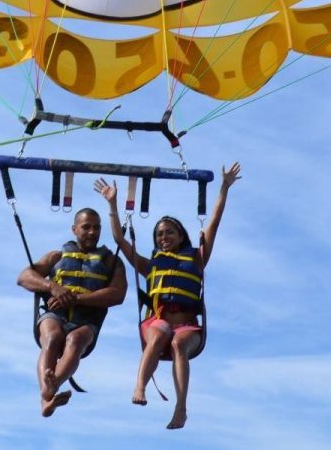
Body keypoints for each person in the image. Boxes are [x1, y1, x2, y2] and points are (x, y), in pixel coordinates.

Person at [96, 162, 241, 430]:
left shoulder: (196, 258)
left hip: (187, 327)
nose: (164, 237)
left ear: (180, 235)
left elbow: (214, 223)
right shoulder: (150, 265)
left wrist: (224, 188)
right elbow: (119, 240)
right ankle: (140, 386)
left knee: (176, 344)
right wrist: (112, 205)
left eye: (169, 233)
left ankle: (181, 407)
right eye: (159, 234)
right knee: (161, 331)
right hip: (158, 322)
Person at [16, 206, 128, 417]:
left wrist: (75, 298)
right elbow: (24, 277)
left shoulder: (111, 261)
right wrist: (52, 287)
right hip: (54, 316)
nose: (92, 232)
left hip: (86, 320)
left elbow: (117, 294)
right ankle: (46, 397)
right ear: (74, 229)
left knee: (75, 340)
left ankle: (52, 386)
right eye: (86, 227)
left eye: (96, 228)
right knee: (52, 337)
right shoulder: (56, 256)